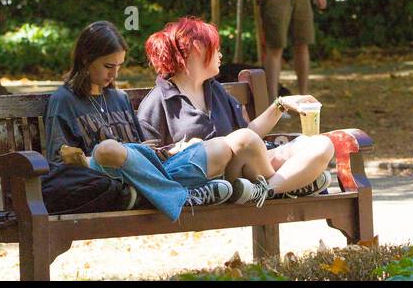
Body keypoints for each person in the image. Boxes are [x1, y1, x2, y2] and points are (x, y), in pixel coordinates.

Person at [44, 20, 238, 217]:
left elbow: (140, 151)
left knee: (216, 148)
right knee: (108, 149)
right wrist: (104, 159)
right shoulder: (64, 101)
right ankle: (180, 195)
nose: (114, 74)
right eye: (108, 66)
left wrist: (172, 150)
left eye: (119, 66)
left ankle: (160, 194)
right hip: (102, 181)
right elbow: (60, 163)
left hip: (141, 179)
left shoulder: (119, 98)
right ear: (86, 59)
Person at [138, 15, 334, 207]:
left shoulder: (214, 89)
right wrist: (179, 149)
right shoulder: (158, 102)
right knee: (245, 139)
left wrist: (280, 105)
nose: (221, 55)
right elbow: (146, 161)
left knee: (321, 144)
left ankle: (268, 191)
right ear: (198, 49)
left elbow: (250, 135)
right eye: (216, 49)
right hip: (213, 182)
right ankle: (291, 184)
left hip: (248, 176)